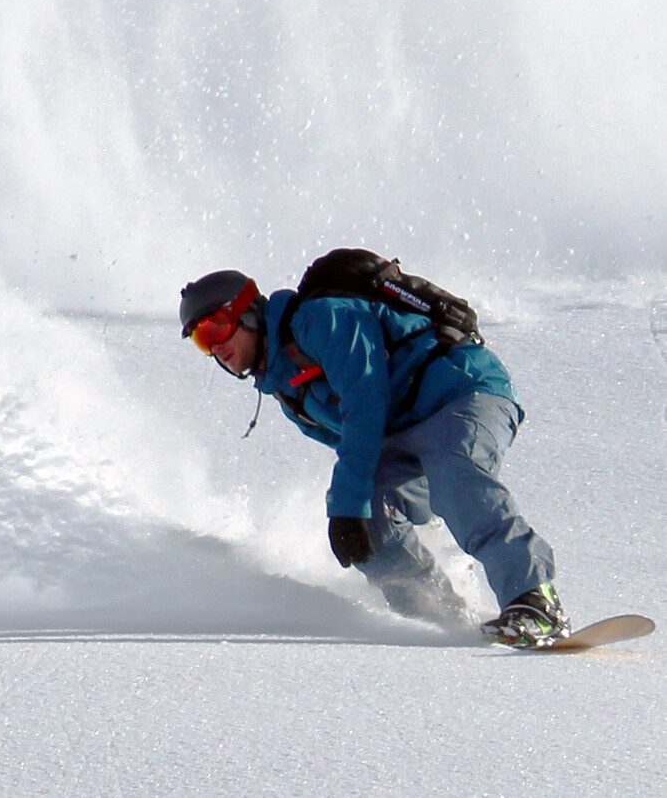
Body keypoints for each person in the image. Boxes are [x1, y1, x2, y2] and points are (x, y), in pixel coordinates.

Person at [179, 267, 568, 647]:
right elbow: (358, 450)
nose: (213, 347)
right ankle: (440, 617)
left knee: (453, 473)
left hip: (461, 393)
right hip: (403, 435)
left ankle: (535, 601)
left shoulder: (321, 319)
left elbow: (365, 404)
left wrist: (348, 505)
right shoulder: (289, 394)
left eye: (215, 328)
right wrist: (365, 510)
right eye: (200, 341)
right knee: (371, 523)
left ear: (248, 313)